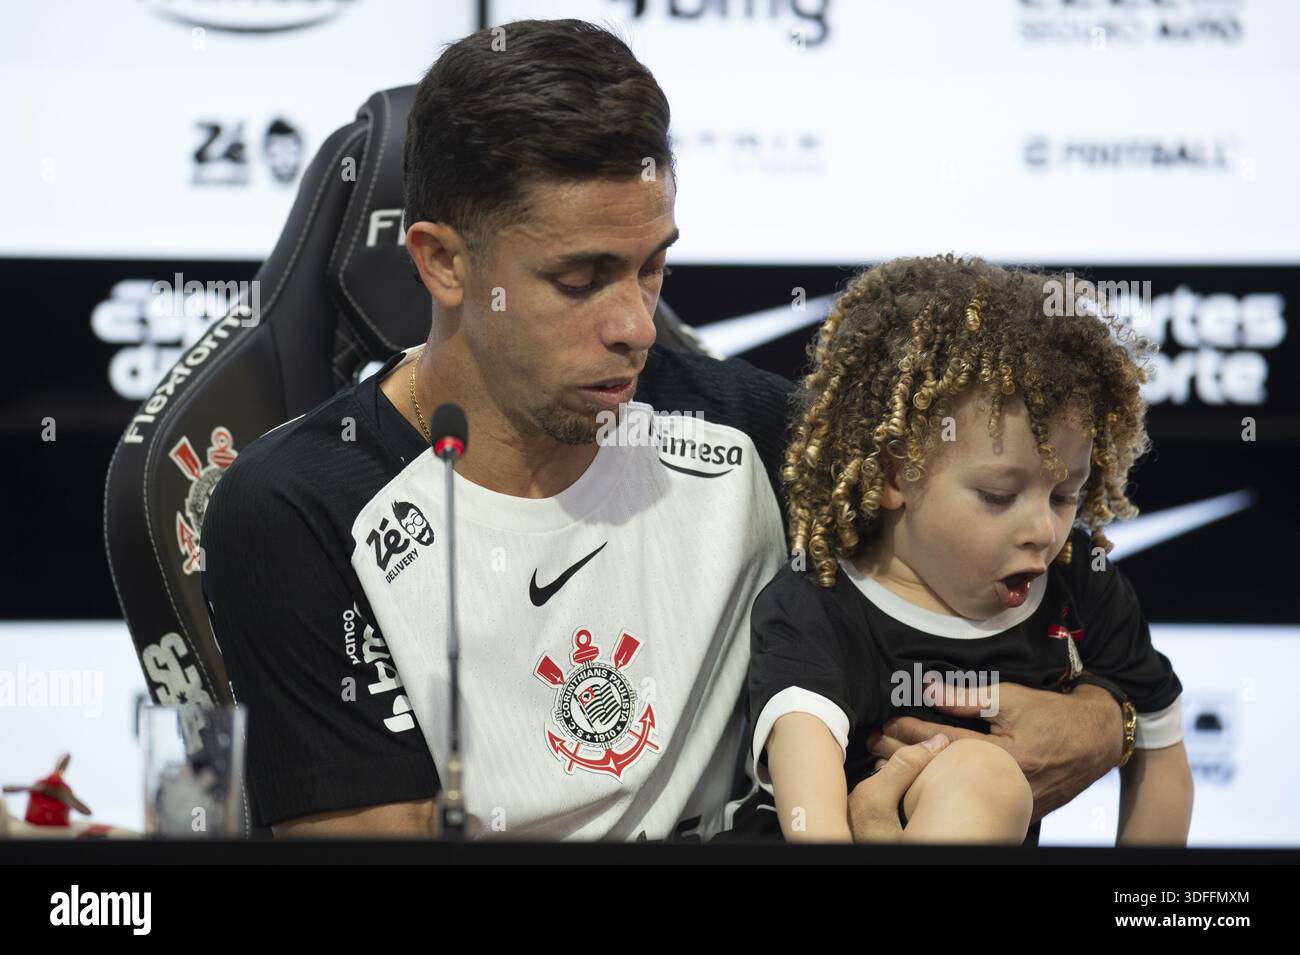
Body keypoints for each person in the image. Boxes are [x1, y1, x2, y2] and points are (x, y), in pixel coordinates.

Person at [200, 20, 1131, 841]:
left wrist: (1106, 718)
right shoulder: (298, 508)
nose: (637, 324)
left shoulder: (762, 440)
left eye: (651, 267)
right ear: (443, 263)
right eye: (581, 278)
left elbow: (1032, 554)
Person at [747, 255, 1194, 844]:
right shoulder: (814, 607)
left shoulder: (1079, 582)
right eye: (998, 494)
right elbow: (813, 822)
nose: (1043, 528)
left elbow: (1160, 752)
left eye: (1065, 495)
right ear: (892, 476)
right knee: (982, 773)